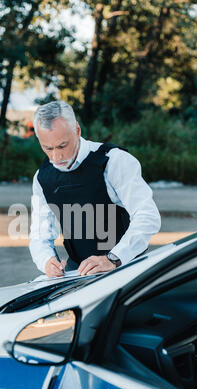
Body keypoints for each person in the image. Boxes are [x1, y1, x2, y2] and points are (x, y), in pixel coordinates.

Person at [29, 100, 161, 278]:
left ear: (77, 131)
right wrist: (47, 260)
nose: (56, 156)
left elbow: (147, 216)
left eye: (62, 146)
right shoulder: (42, 178)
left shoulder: (114, 161)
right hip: (77, 271)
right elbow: (40, 232)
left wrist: (113, 258)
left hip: (125, 267)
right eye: (48, 148)